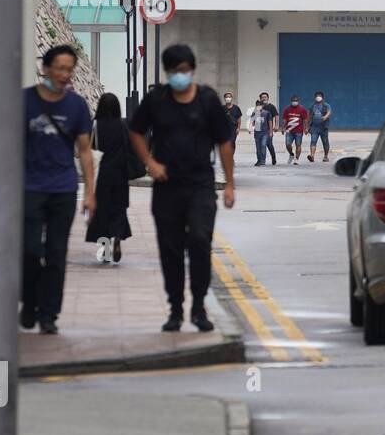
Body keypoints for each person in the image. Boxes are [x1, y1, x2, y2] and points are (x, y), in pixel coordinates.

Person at [129, 44, 236, 332]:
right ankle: (175, 308)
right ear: (167, 73)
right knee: (171, 248)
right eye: (176, 71)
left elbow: (224, 142)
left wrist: (229, 184)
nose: (181, 76)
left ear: (193, 70)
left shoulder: (207, 100)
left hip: (201, 185)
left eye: (186, 71)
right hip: (167, 187)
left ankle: (199, 306)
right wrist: (149, 162)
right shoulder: (157, 100)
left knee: (200, 241)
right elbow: (135, 131)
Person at [22, 45, 96, 335]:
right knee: (29, 250)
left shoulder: (76, 106)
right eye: (60, 68)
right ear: (45, 68)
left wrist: (90, 192)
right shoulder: (25, 101)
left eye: (69, 69)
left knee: (56, 252)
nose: (65, 75)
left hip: (63, 188)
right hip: (29, 187)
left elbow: (86, 150)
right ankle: (30, 301)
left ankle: (49, 313)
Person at [85, 92, 133, 263]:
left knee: (102, 213)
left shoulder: (95, 126)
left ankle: (104, 249)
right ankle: (117, 240)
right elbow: (130, 148)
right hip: (119, 175)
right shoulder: (123, 125)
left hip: (102, 176)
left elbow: (88, 149)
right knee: (119, 210)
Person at [281, 94, 309, 165]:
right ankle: (291, 154)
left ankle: (296, 159)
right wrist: (283, 128)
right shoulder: (287, 109)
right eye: (293, 101)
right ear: (291, 101)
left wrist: (306, 128)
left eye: (296, 101)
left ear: (298, 101)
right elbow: (284, 119)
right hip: (289, 130)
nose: (294, 102)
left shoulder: (302, 109)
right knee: (287, 144)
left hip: (299, 131)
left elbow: (305, 120)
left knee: (298, 145)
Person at [307, 90, 333, 162]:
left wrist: (325, 117)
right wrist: (307, 127)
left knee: (325, 142)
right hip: (314, 127)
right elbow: (308, 116)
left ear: (323, 97)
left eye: (320, 96)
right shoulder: (312, 106)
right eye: (317, 96)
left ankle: (326, 156)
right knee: (313, 141)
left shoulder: (326, 105)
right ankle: (312, 156)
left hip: (323, 127)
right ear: (314, 97)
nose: (318, 97)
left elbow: (329, 112)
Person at [257, 92, 279, 165]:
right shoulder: (259, 107)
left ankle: (273, 158)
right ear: (260, 99)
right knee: (261, 146)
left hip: (268, 129)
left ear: (268, 98)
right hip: (260, 130)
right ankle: (261, 160)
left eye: (265, 97)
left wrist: (276, 125)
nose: (264, 98)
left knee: (269, 144)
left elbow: (276, 116)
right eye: (262, 97)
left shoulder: (271, 107)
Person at [249, 99, 270, 167]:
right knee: (258, 148)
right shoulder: (254, 113)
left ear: (262, 106)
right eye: (257, 105)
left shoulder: (266, 113)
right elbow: (251, 121)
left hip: (265, 132)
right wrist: (250, 128)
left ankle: (263, 160)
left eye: (260, 105)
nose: (258, 106)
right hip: (257, 132)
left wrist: (271, 131)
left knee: (263, 145)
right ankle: (259, 160)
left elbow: (270, 122)